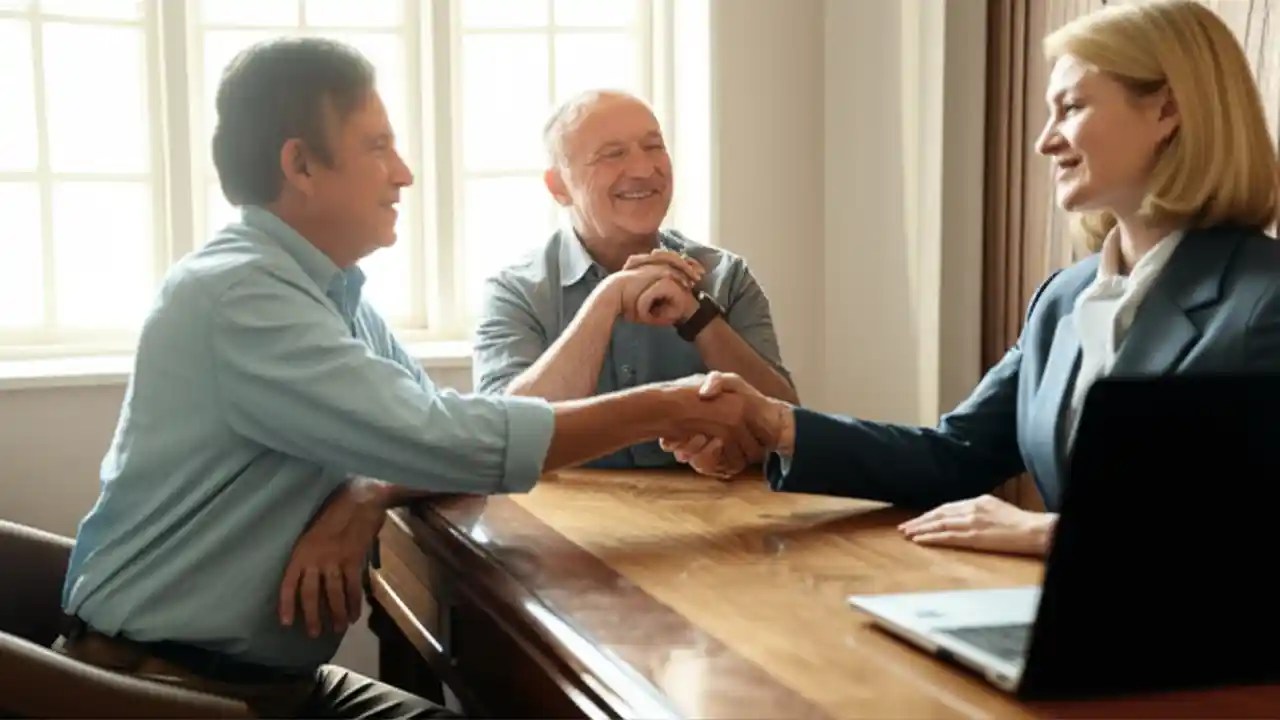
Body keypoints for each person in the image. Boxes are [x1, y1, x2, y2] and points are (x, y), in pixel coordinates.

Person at [55, 39, 764, 719]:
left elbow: (431, 423)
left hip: (275, 686)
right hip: (167, 693)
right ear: (301, 164)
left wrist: (365, 491)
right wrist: (666, 408)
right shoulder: (241, 294)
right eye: (378, 147)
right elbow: (448, 439)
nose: (404, 173)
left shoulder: (332, 294)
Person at [664, 0, 1280, 556]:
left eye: (1071, 107)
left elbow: (1241, 529)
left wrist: (1047, 533)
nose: (1044, 142)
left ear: (1167, 109)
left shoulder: (1263, 301)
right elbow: (954, 458)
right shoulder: (1064, 300)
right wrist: (777, 424)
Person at [472, 89, 797, 471]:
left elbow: (788, 428)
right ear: (558, 186)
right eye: (613, 154)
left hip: (713, 516)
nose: (644, 169)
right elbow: (502, 439)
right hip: (559, 522)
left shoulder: (725, 277)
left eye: (654, 146)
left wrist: (698, 316)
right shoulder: (515, 291)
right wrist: (606, 301)